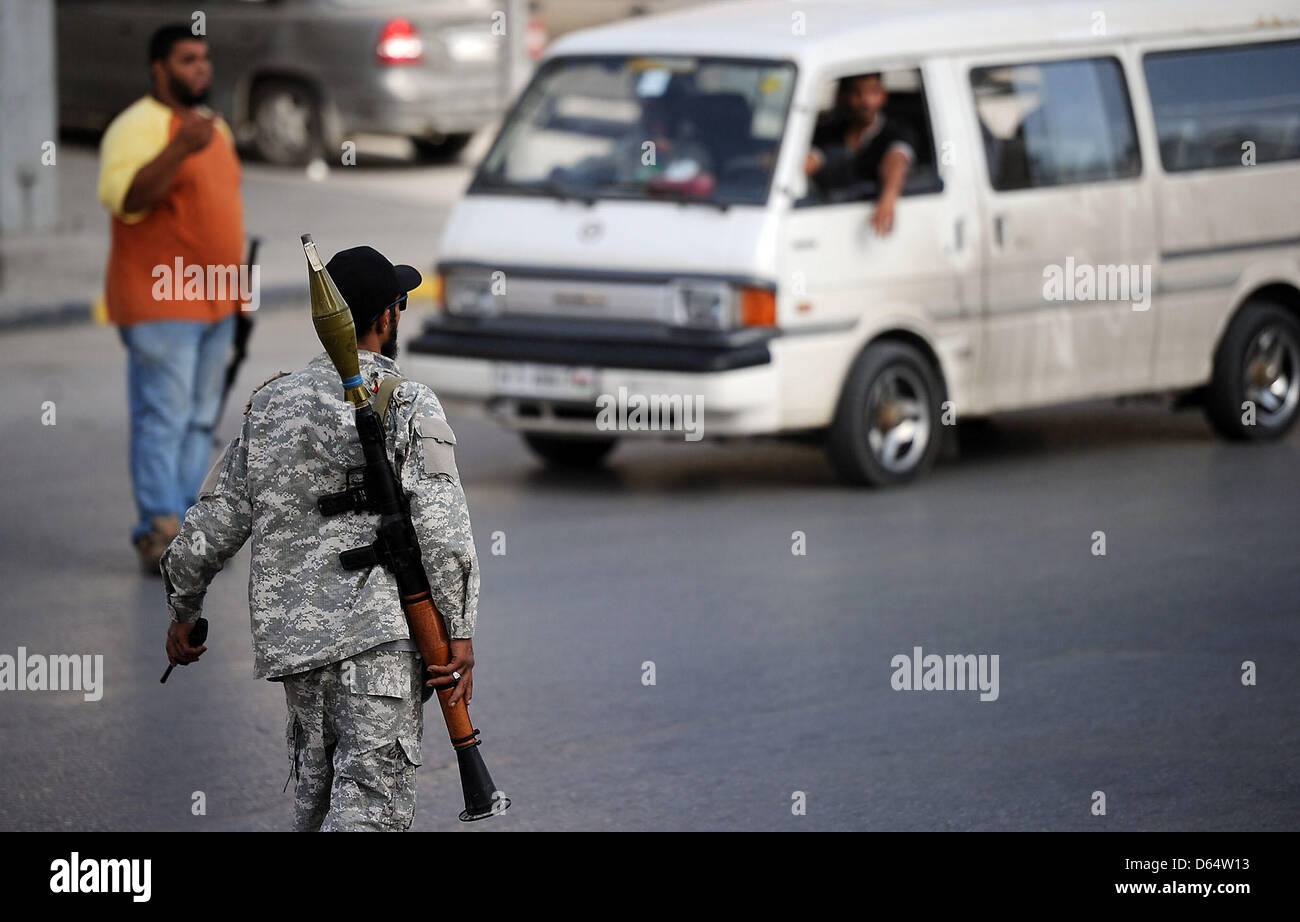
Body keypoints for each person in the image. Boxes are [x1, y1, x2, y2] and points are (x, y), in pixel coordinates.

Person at [159, 246, 481, 832]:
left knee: (317, 812)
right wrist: (458, 632)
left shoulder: (270, 405)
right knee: (368, 817)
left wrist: (184, 607)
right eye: (398, 306)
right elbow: (443, 532)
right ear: (386, 318)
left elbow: (213, 521)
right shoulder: (406, 402)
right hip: (380, 649)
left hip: (300, 654)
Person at [98, 24, 245, 573]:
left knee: (201, 418)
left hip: (216, 299)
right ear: (159, 68)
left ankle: (189, 527)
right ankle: (158, 528)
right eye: (188, 60)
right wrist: (180, 146)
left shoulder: (216, 126)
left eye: (204, 58)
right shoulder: (135, 128)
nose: (201, 69)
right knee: (164, 415)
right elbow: (128, 199)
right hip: (162, 299)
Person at [805, 73, 915, 234]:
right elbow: (812, 160)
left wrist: (887, 200)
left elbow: (896, 160)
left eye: (872, 92)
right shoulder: (828, 132)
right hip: (828, 219)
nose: (865, 101)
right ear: (843, 97)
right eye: (857, 93)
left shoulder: (896, 131)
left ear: (883, 96)